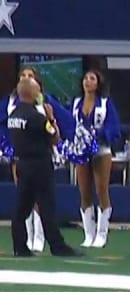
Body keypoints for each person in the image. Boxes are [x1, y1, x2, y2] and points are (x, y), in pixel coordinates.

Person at [2, 67, 73, 254]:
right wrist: (50, 117)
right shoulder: (37, 117)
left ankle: (20, 246)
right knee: (46, 206)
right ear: (34, 93)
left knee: (21, 208)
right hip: (40, 165)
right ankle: (57, 246)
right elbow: (54, 137)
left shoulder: (13, 115)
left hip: (22, 164)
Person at [69, 69, 121, 249]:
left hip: (101, 150)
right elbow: (69, 124)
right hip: (81, 152)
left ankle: (102, 234)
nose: (88, 81)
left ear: (98, 84)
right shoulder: (76, 103)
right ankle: (88, 234)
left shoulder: (105, 103)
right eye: (85, 78)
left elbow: (114, 127)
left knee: (101, 190)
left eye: (92, 79)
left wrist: (99, 134)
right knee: (84, 192)